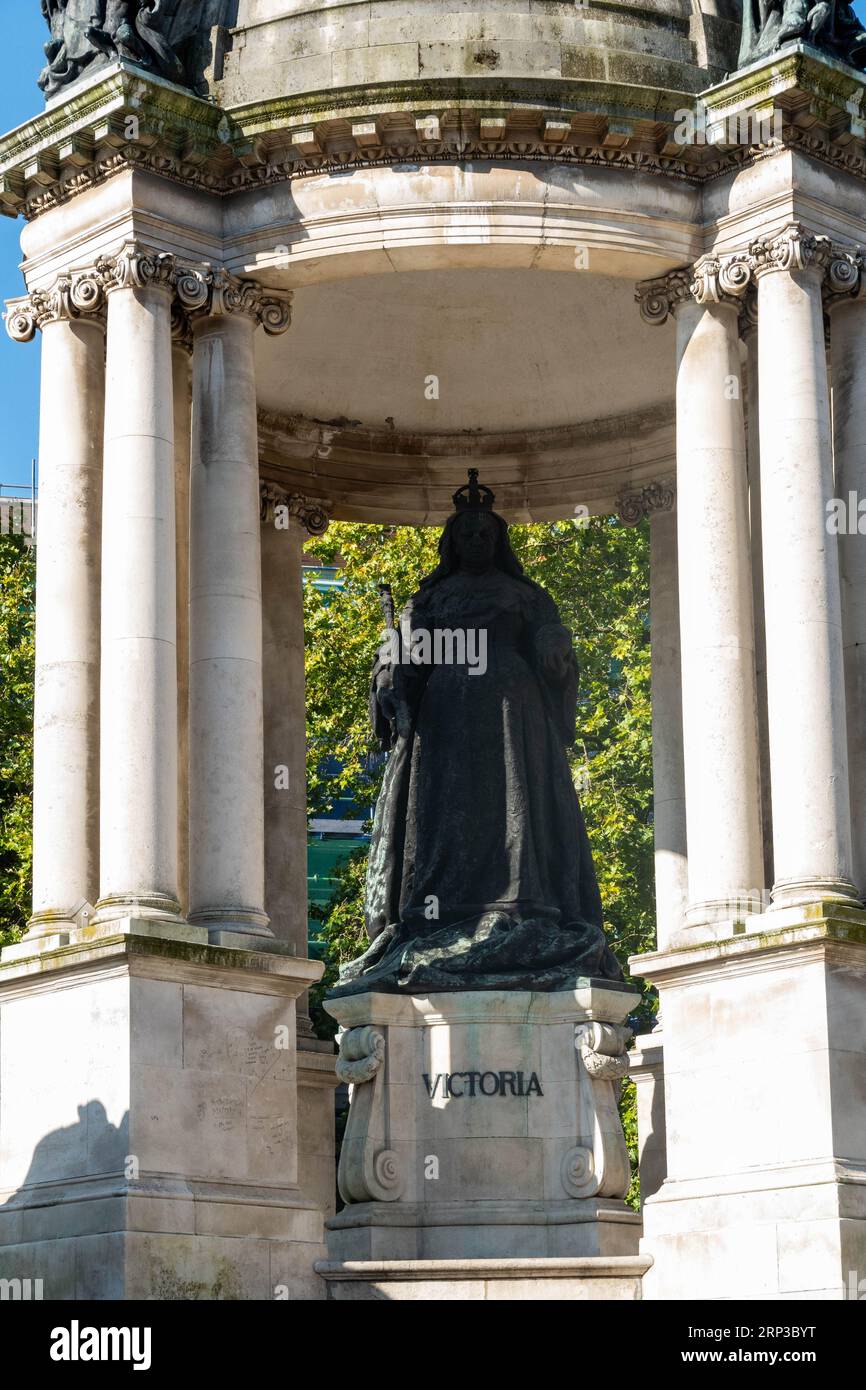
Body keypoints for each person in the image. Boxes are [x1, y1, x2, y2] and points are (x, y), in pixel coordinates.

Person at [332, 471, 622, 996]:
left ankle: (519, 899)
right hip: (447, 719)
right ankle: (438, 910)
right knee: (445, 811)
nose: (475, 541)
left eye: (485, 534)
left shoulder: (523, 594)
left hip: (513, 711)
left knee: (516, 804)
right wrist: (391, 668)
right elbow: (403, 654)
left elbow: (548, 633)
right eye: (466, 534)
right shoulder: (431, 599)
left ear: (498, 541)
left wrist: (555, 643)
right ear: (451, 543)